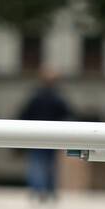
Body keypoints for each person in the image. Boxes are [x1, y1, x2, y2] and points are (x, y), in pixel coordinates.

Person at [17, 68, 72, 200]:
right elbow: (67, 115)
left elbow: (25, 115)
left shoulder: (36, 97)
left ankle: (38, 190)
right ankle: (49, 190)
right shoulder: (57, 98)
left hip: (36, 135)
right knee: (50, 165)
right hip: (53, 137)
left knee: (37, 165)